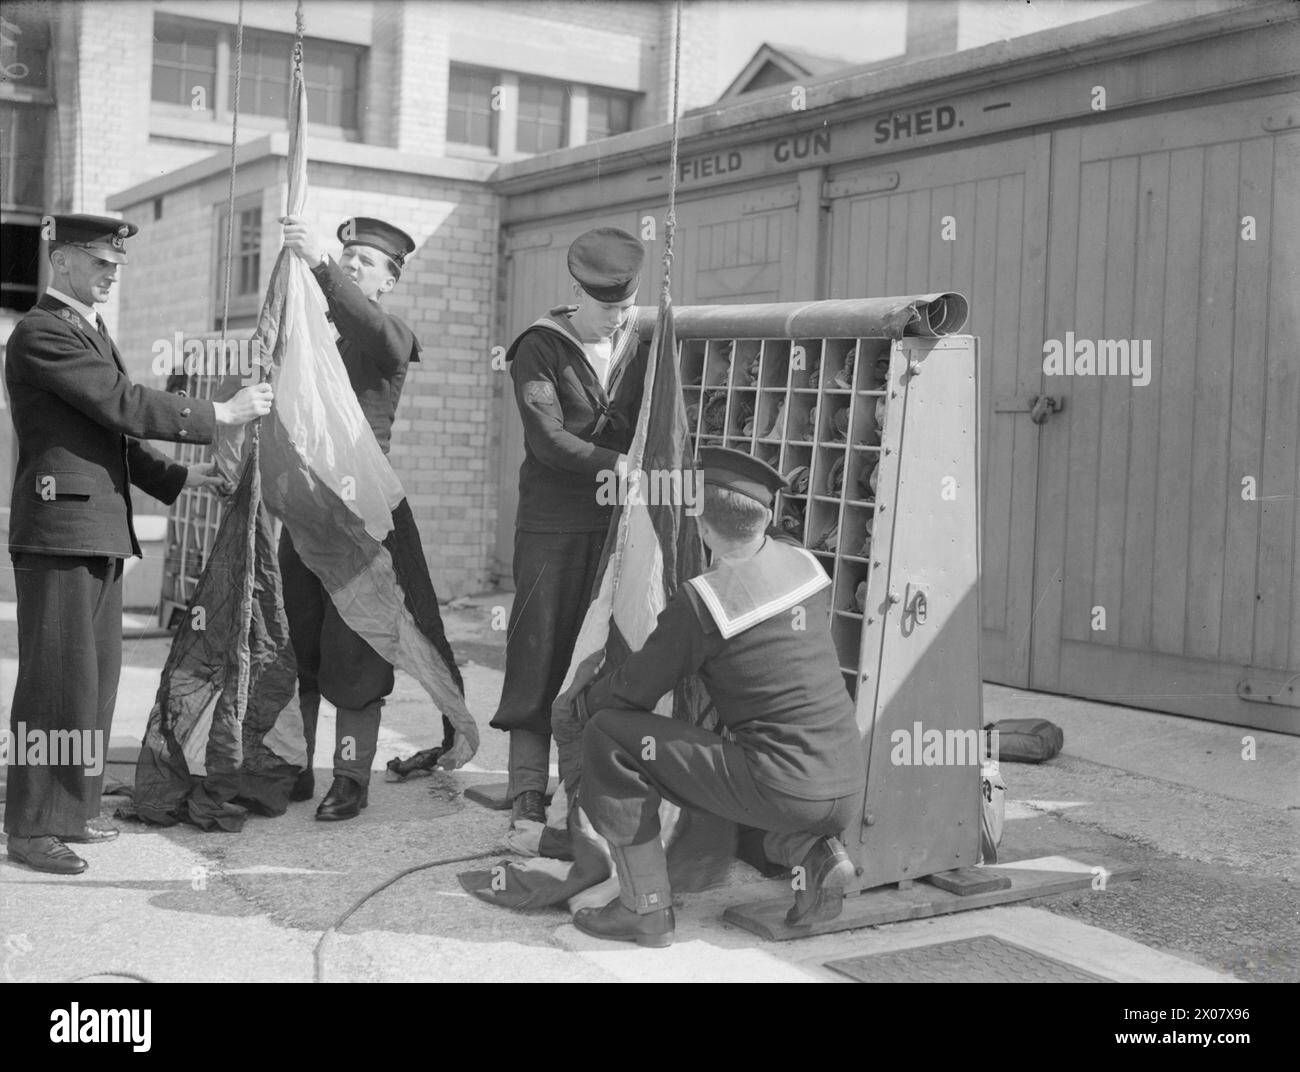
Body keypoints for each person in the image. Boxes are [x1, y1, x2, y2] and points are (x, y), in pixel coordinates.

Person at [4, 213, 273, 874]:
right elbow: (123, 402)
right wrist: (219, 415)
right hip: (60, 531)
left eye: (116, 266)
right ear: (61, 260)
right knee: (54, 685)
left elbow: (114, 438)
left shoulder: (87, 331)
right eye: (100, 262)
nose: (111, 274)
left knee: (91, 684)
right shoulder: (43, 332)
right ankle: (33, 826)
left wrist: (186, 478)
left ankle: (72, 809)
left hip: (91, 530)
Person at [570, 447, 867, 947]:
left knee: (609, 736)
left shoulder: (702, 602)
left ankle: (645, 910)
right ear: (769, 517)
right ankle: (818, 856)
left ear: (703, 530)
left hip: (785, 787)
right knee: (739, 748)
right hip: (845, 782)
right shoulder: (806, 566)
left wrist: (584, 698)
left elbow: (632, 694)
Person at [491, 227, 649, 829]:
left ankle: (582, 786)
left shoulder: (642, 337)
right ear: (577, 293)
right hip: (552, 526)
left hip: (620, 524)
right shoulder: (539, 346)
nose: (618, 319)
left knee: (604, 654)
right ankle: (527, 788)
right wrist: (621, 465)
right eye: (608, 308)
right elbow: (549, 439)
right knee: (540, 648)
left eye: (627, 307)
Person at [278, 214, 424, 821]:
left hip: (361, 516)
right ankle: (294, 768)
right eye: (348, 256)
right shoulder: (315, 339)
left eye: (367, 261)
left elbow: (371, 330)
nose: (353, 266)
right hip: (308, 513)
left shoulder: (389, 336)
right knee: (299, 646)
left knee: (356, 651)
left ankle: (349, 775)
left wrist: (319, 263)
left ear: (388, 282)